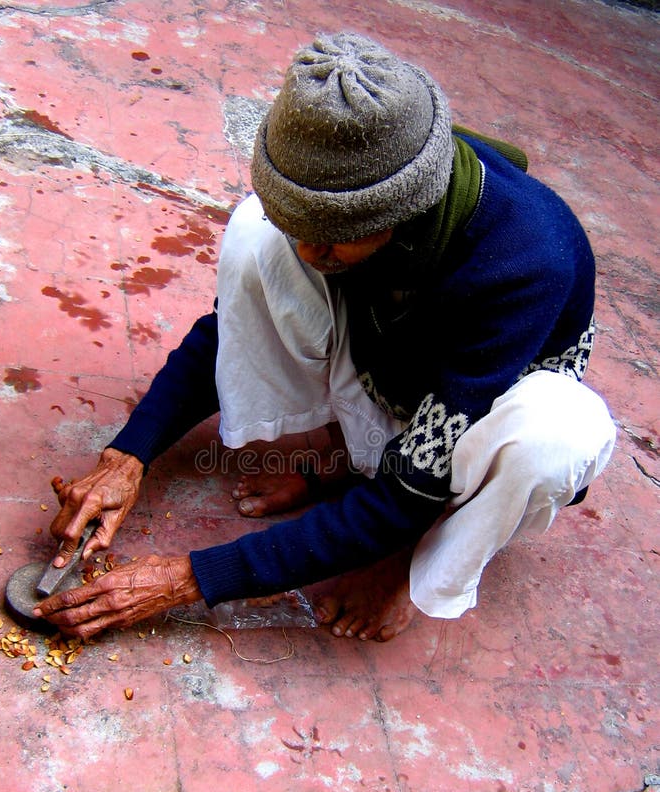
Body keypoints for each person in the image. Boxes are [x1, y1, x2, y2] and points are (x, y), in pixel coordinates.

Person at [34, 32, 616, 642]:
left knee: (550, 440)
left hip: (479, 412)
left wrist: (191, 579)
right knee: (258, 237)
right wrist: (128, 455)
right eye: (303, 227)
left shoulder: (527, 260)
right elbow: (228, 332)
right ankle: (355, 463)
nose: (310, 252)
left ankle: (413, 558)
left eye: (333, 237)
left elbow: (414, 487)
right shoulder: (351, 188)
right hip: (397, 374)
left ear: (399, 211)